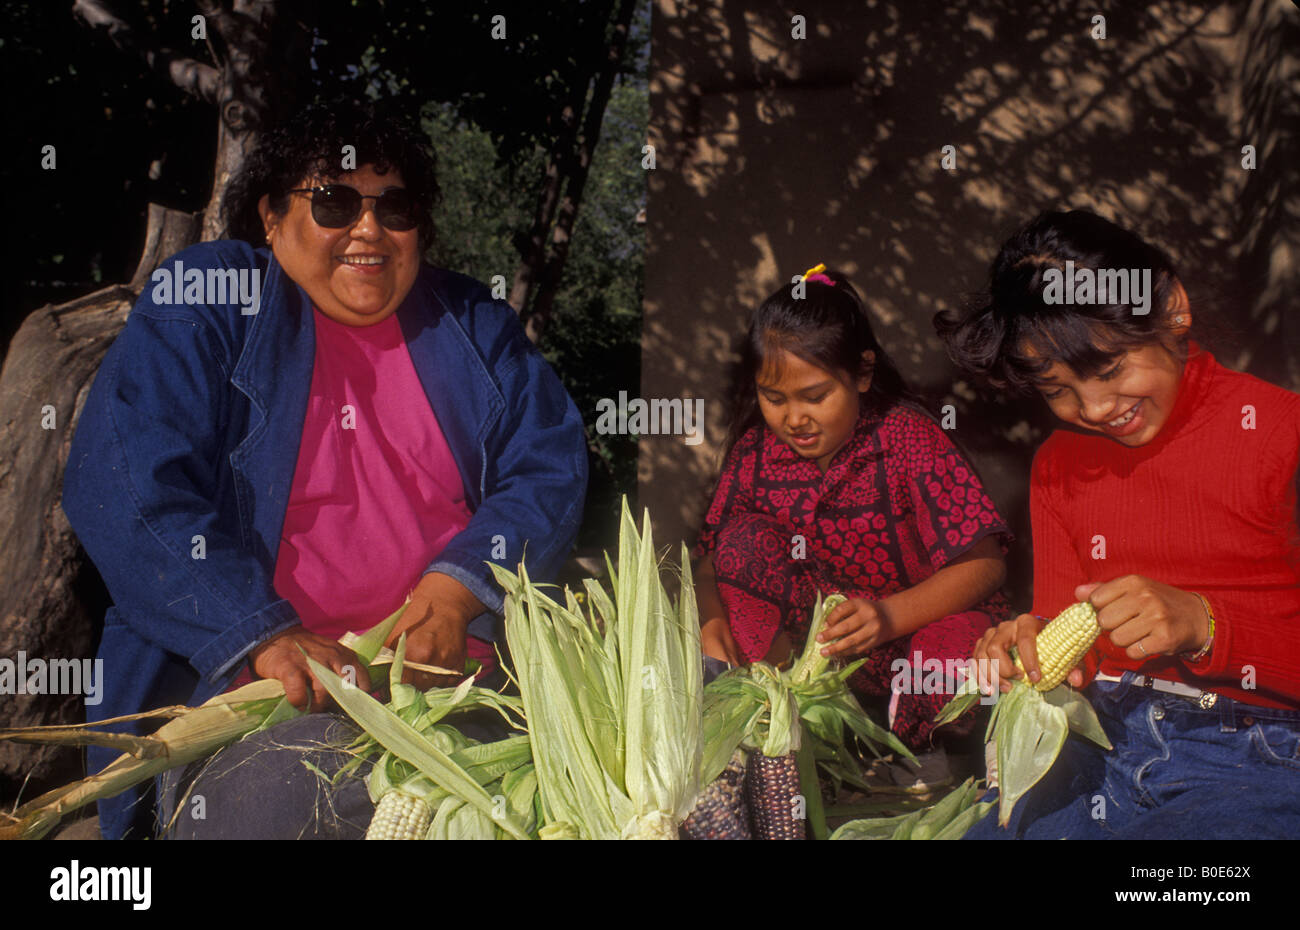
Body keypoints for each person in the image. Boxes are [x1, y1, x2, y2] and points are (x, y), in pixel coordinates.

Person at [62, 100, 589, 838]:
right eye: (334, 201)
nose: (369, 228)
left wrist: (455, 592)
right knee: (291, 805)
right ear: (271, 219)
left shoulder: (471, 320)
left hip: (467, 697)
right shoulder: (211, 297)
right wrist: (262, 634)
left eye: (395, 208)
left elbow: (548, 466)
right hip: (268, 705)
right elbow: (125, 483)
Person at [936, 209, 1300, 839]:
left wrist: (1206, 627)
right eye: (1058, 390)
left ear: (1173, 308)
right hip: (1100, 748)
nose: (1096, 408)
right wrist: (1025, 650)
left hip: (1259, 758)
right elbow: (1067, 649)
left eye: (1109, 370)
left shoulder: (1278, 433)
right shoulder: (1059, 467)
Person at [693, 264, 1013, 778]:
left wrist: (887, 617)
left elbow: (986, 565)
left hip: (922, 637)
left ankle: (937, 764)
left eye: (815, 396)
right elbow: (711, 562)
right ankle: (778, 728)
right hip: (825, 667)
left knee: (948, 658)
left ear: (862, 373)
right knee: (743, 542)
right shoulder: (754, 454)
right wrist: (711, 625)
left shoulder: (910, 439)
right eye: (773, 398)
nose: (794, 418)